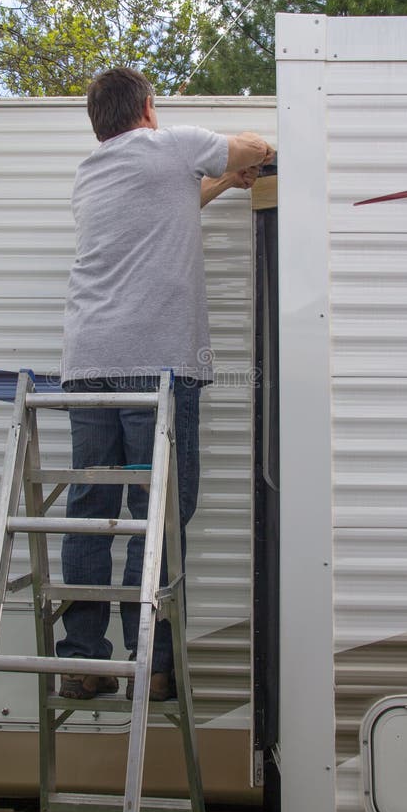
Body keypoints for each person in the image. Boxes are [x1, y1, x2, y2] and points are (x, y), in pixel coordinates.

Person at [56, 67, 274, 700]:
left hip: (90, 363)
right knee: (162, 515)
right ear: (148, 108)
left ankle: (83, 662)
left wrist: (220, 186)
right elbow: (255, 148)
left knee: (92, 513)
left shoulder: (91, 173)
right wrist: (251, 158)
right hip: (157, 366)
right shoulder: (171, 145)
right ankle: (151, 665)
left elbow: (167, 208)